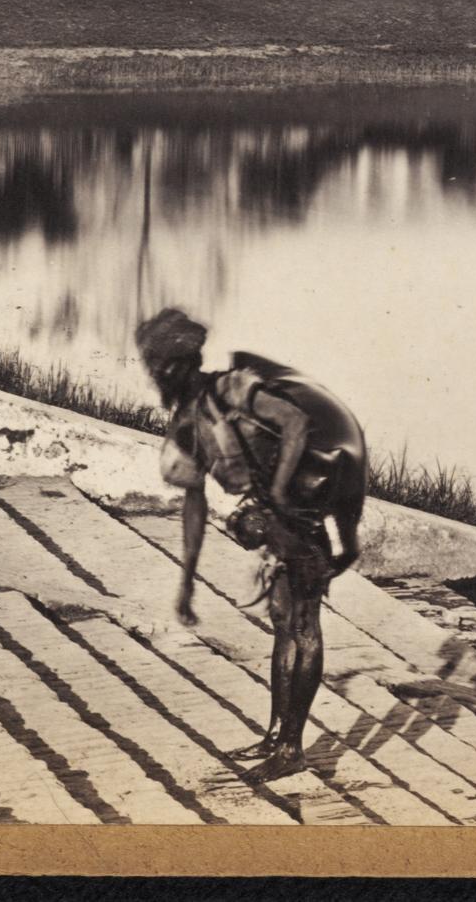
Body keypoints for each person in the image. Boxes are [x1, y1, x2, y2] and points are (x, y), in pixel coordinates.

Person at [136, 307, 368, 777]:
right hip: (275, 521)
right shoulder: (190, 420)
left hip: (299, 515)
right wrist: (186, 581)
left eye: (158, 366)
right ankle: (276, 737)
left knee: (302, 625)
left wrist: (281, 489)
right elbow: (195, 501)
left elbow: (296, 423)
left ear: (178, 366)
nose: (155, 376)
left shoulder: (230, 391)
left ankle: (291, 750)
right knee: (284, 624)